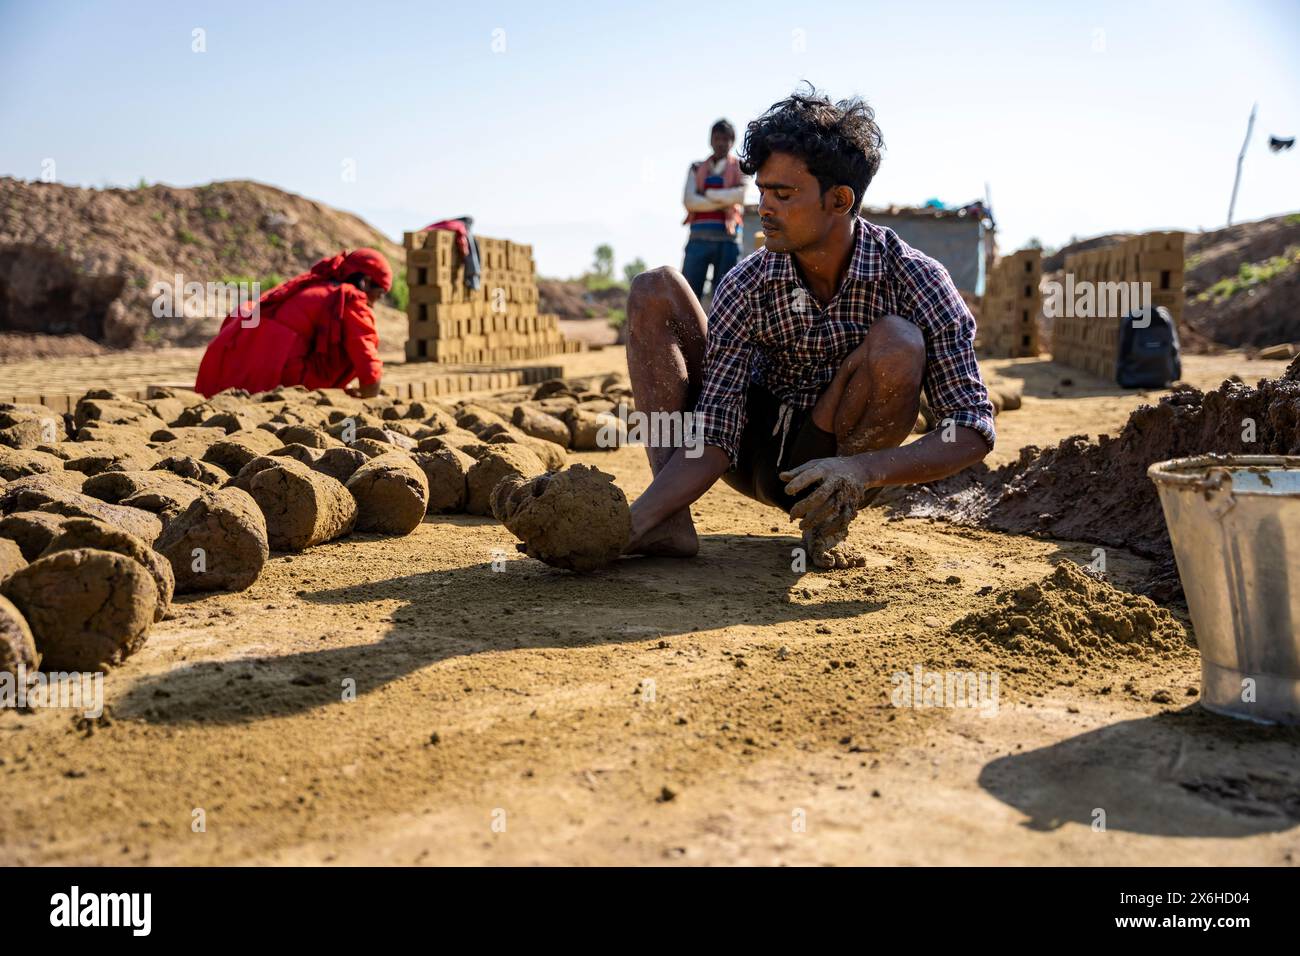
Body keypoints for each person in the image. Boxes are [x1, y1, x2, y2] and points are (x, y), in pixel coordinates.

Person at [626, 88, 996, 569]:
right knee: (655, 286)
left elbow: (971, 427)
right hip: (745, 452)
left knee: (898, 341)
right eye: (761, 192)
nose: (765, 208)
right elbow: (715, 435)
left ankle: (827, 514)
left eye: (783, 194)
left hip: (833, 464)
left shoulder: (915, 278)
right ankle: (665, 522)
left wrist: (858, 470)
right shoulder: (749, 282)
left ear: (839, 200)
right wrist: (631, 523)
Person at [195, 249, 392, 398]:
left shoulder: (311, 288)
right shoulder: (347, 299)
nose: (376, 301)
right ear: (365, 282)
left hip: (222, 371)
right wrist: (371, 396)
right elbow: (366, 357)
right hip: (272, 376)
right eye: (380, 294)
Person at [681, 119, 751, 302]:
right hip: (698, 240)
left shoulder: (740, 167)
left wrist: (707, 194)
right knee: (688, 296)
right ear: (710, 140)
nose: (721, 143)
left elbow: (741, 196)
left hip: (728, 241)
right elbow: (690, 202)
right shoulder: (696, 168)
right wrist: (724, 199)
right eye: (717, 138)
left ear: (732, 141)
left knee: (726, 298)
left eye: (725, 139)